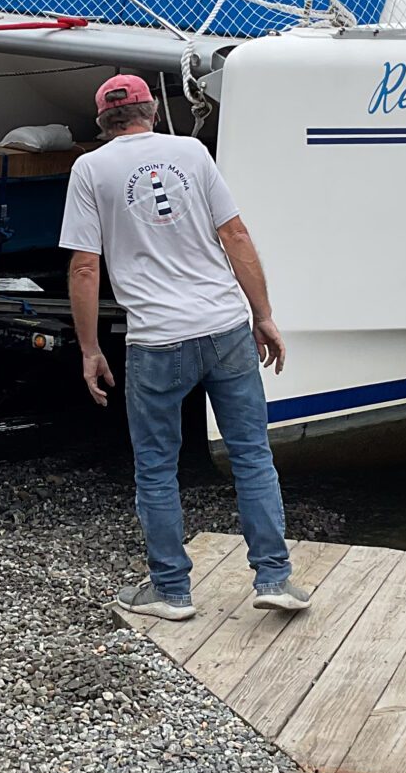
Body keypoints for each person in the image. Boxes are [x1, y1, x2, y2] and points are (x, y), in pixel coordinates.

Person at [59, 74, 308, 620]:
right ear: (151, 109)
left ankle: (171, 591)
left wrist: (88, 348)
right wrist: (262, 315)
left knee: (156, 467)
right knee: (250, 454)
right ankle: (274, 578)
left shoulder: (91, 169)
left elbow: (84, 265)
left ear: (103, 122)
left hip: (156, 341)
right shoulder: (191, 152)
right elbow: (235, 235)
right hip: (223, 328)